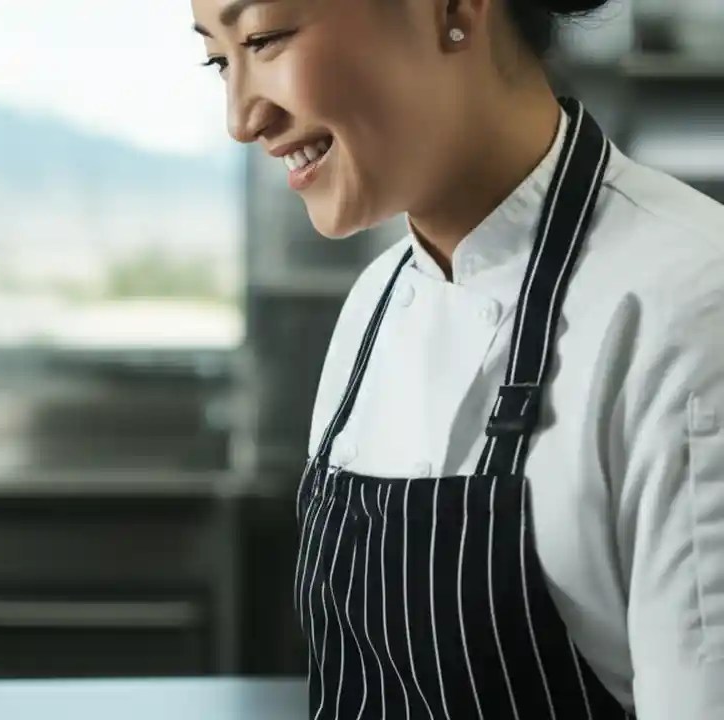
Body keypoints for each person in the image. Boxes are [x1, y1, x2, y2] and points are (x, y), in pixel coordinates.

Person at [191, 0, 724, 717]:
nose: (241, 119)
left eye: (265, 39)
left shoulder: (690, 306)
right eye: (219, 61)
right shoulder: (374, 306)